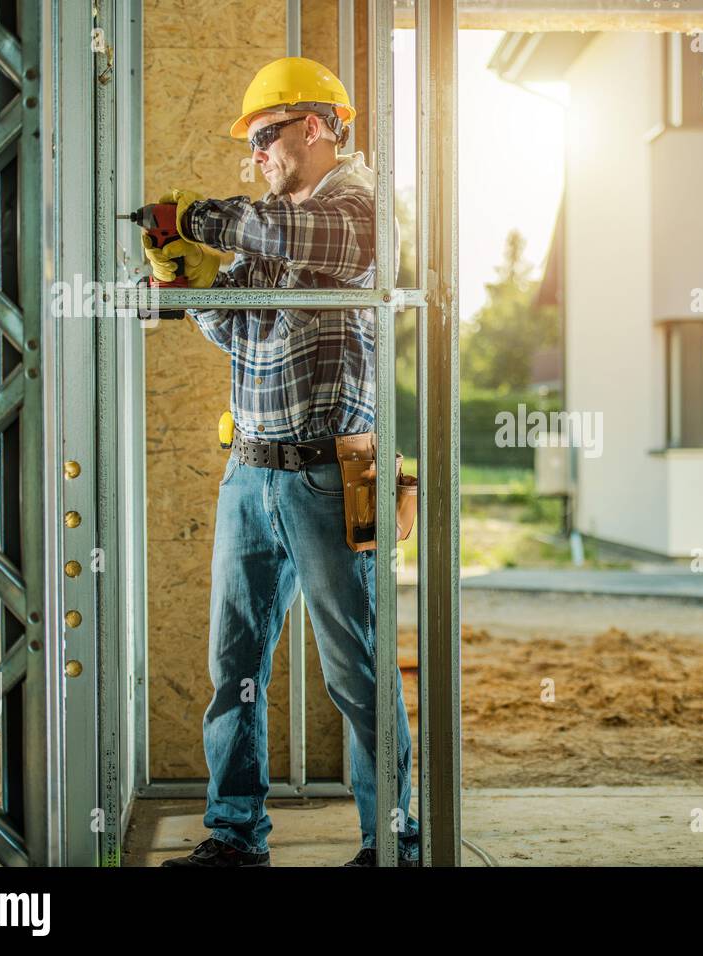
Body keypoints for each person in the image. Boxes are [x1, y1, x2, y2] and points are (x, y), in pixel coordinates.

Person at [147, 56, 418, 867]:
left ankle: (394, 842)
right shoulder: (268, 219)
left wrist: (207, 222)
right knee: (234, 665)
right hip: (252, 472)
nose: (257, 153)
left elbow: (316, 241)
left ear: (316, 124)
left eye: (266, 135)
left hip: (337, 472)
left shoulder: (359, 207)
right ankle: (234, 835)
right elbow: (243, 332)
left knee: (358, 671)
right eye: (253, 142)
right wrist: (193, 284)